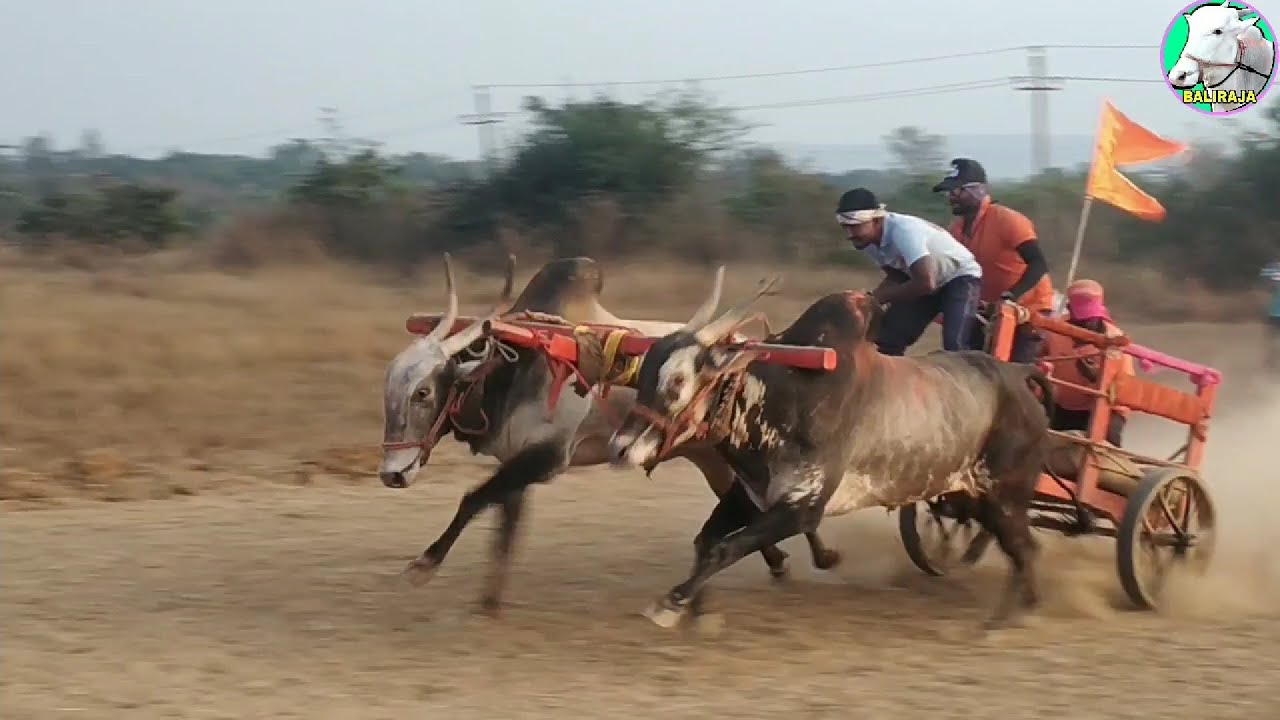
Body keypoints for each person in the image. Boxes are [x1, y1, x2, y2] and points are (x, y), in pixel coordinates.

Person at [932, 158, 1056, 362]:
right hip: (987, 313)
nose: (951, 197)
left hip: (1027, 311)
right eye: (949, 192)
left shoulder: (1008, 220)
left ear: (979, 190)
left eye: (957, 191)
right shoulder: (956, 230)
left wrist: (1011, 296)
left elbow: (1038, 263)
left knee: (1014, 376)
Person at [836, 187, 984, 356]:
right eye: (845, 227)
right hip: (924, 280)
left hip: (960, 277)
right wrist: (868, 300)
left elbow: (925, 283)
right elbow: (896, 275)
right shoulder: (866, 241)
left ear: (876, 221)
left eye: (855, 227)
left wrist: (877, 298)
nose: (849, 234)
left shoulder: (904, 231)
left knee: (955, 345)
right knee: (887, 339)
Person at [1038, 279, 1134, 447]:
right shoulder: (1055, 331)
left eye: (1092, 317)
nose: (1088, 323)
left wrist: (1096, 377)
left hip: (1104, 408)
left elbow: (1124, 389)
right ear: (1069, 310)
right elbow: (1038, 356)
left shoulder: (1116, 342)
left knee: (1104, 448)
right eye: (1082, 318)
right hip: (1063, 403)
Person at [1264, 261, 1280, 369]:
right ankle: (1270, 363)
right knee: (1272, 340)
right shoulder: (1274, 268)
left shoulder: (1273, 268)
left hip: (1274, 313)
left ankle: (1270, 363)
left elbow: (1268, 284)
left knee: (1272, 340)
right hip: (1274, 312)